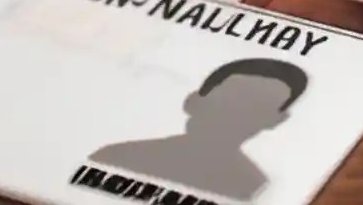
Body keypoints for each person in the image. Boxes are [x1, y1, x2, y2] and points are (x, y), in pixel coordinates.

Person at [90, 58, 308, 201]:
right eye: (228, 99)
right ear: (194, 101)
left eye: (256, 105)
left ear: (274, 121)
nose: (234, 112)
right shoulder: (117, 157)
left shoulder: (253, 187)